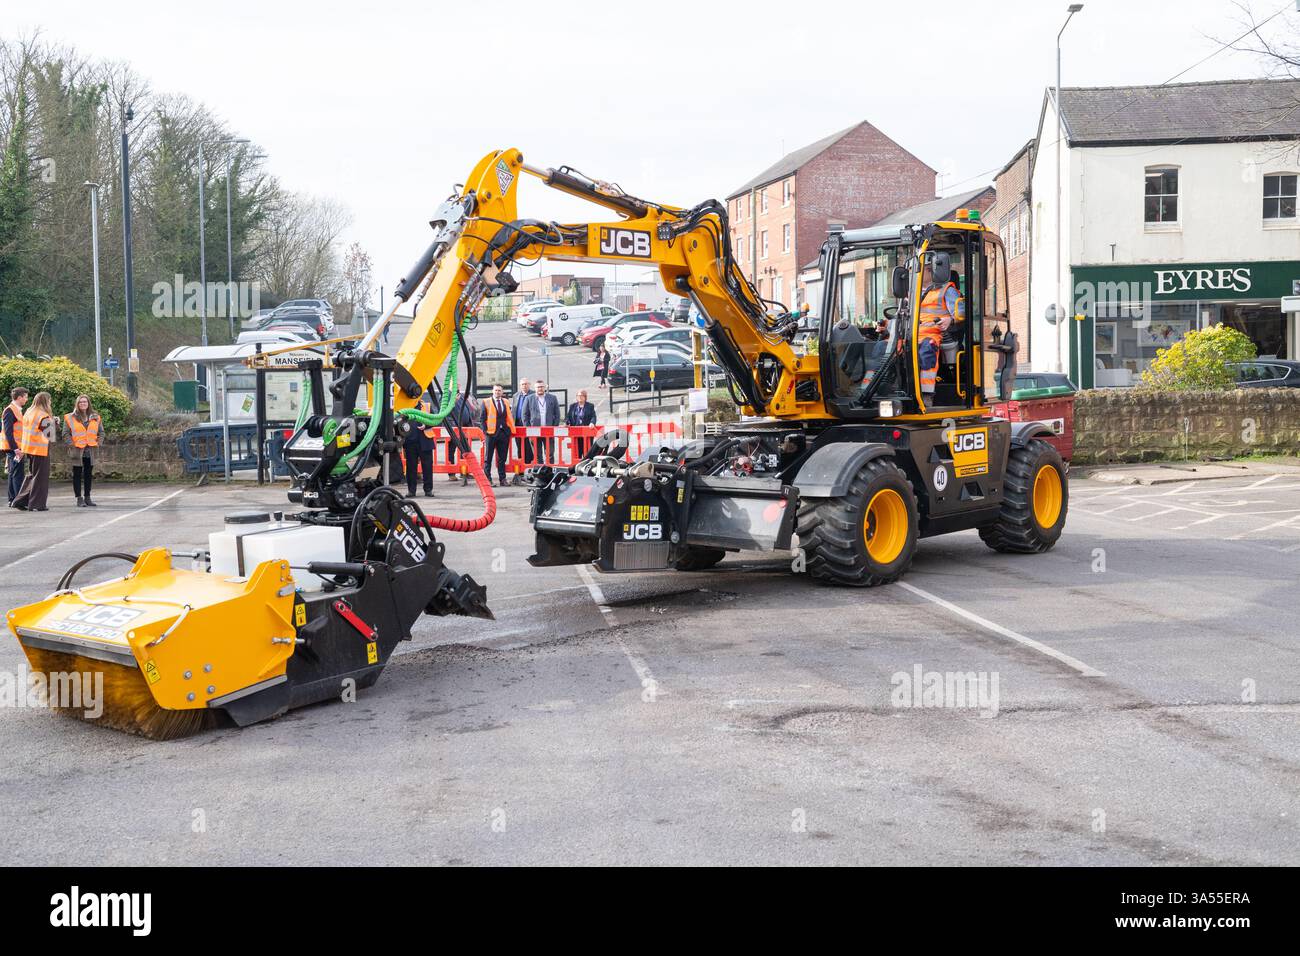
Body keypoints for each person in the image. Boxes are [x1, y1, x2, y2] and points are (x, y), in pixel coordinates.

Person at [916, 251, 965, 398]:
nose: (916, 272)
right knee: (881, 349)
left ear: (932, 270)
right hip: (910, 335)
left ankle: (926, 394)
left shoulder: (947, 290)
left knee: (926, 351)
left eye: (920, 268)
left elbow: (962, 312)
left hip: (933, 335)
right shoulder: (912, 293)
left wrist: (951, 319)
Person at [12, 391, 54, 512]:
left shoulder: (29, 412)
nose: (50, 402)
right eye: (49, 400)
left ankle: (20, 500)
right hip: (40, 449)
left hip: (29, 448)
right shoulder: (43, 415)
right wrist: (55, 423)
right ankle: (37, 504)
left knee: (31, 475)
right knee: (40, 477)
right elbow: (50, 435)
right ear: (46, 401)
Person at [63, 394, 104, 507]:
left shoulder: (96, 417)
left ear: (88, 403)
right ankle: (79, 498)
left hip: (90, 450)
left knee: (88, 475)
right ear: (77, 404)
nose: (83, 404)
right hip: (77, 450)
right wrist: (72, 445)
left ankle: (87, 497)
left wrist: (98, 444)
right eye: (80, 402)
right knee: (77, 474)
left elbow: (101, 432)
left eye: (85, 402)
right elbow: (65, 434)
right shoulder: (70, 417)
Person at [481, 384, 514, 487]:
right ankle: (488, 479)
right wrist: (485, 431)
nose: (497, 392)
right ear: (492, 391)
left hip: (503, 433)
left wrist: (508, 430)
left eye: (499, 390)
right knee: (488, 458)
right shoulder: (486, 402)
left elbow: (508, 416)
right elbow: (482, 418)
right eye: (496, 390)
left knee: (502, 458)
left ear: (502, 392)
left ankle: (502, 479)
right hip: (491, 434)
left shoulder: (506, 402)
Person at [403, 399, 437, 498]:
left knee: (427, 467)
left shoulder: (427, 406)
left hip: (425, 441)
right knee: (411, 468)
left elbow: (436, 420)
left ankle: (428, 490)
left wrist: (426, 425)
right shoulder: (405, 407)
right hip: (410, 442)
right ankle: (411, 491)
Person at [521, 380, 561, 463]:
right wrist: (529, 428)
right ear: (535, 388)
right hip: (534, 431)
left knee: (550, 454)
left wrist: (554, 426)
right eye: (538, 387)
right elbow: (524, 415)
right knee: (537, 455)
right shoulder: (529, 398)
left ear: (545, 387)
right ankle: (540, 473)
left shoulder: (552, 398)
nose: (540, 389)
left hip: (549, 430)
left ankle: (550, 472)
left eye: (542, 387)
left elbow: (557, 414)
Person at [3, 386, 29, 506]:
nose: (26, 399)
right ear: (19, 397)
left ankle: (12, 499)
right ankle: (18, 500)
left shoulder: (16, 409)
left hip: (16, 447)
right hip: (14, 448)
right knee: (17, 474)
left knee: (13, 473)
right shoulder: (10, 410)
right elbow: (8, 432)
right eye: (25, 397)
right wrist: (16, 449)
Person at [445, 392, 477, 482]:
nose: (458, 384)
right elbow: (444, 410)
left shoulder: (460, 396)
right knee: (451, 450)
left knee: (465, 450)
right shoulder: (445, 396)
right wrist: (453, 402)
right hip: (453, 428)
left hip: (464, 428)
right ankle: (451, 473)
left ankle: (464, 471)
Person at [510, 377, 533, 483]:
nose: (524, 386)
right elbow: (514, 410)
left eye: (526, 384)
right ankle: (520, 469)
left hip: (528, 424)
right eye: (522, 384)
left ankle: (528, 468)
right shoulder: (516, 395)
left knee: (528, 447)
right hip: (517, 424)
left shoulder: (533, 395)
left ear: (529, 385)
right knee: (520, 446)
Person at [566, 388, 598, 459]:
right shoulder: (572, 406)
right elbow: (568, 417)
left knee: (587, 451)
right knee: (577, 451)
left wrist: (592, 423)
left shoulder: (590, 406)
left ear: (585, 397)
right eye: (578, 395)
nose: (580, 397)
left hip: (586, 432)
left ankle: (587, 465)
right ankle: (576, 465)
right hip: (575, 432)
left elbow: (593, 416)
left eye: (582, 395)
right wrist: (567, 422)